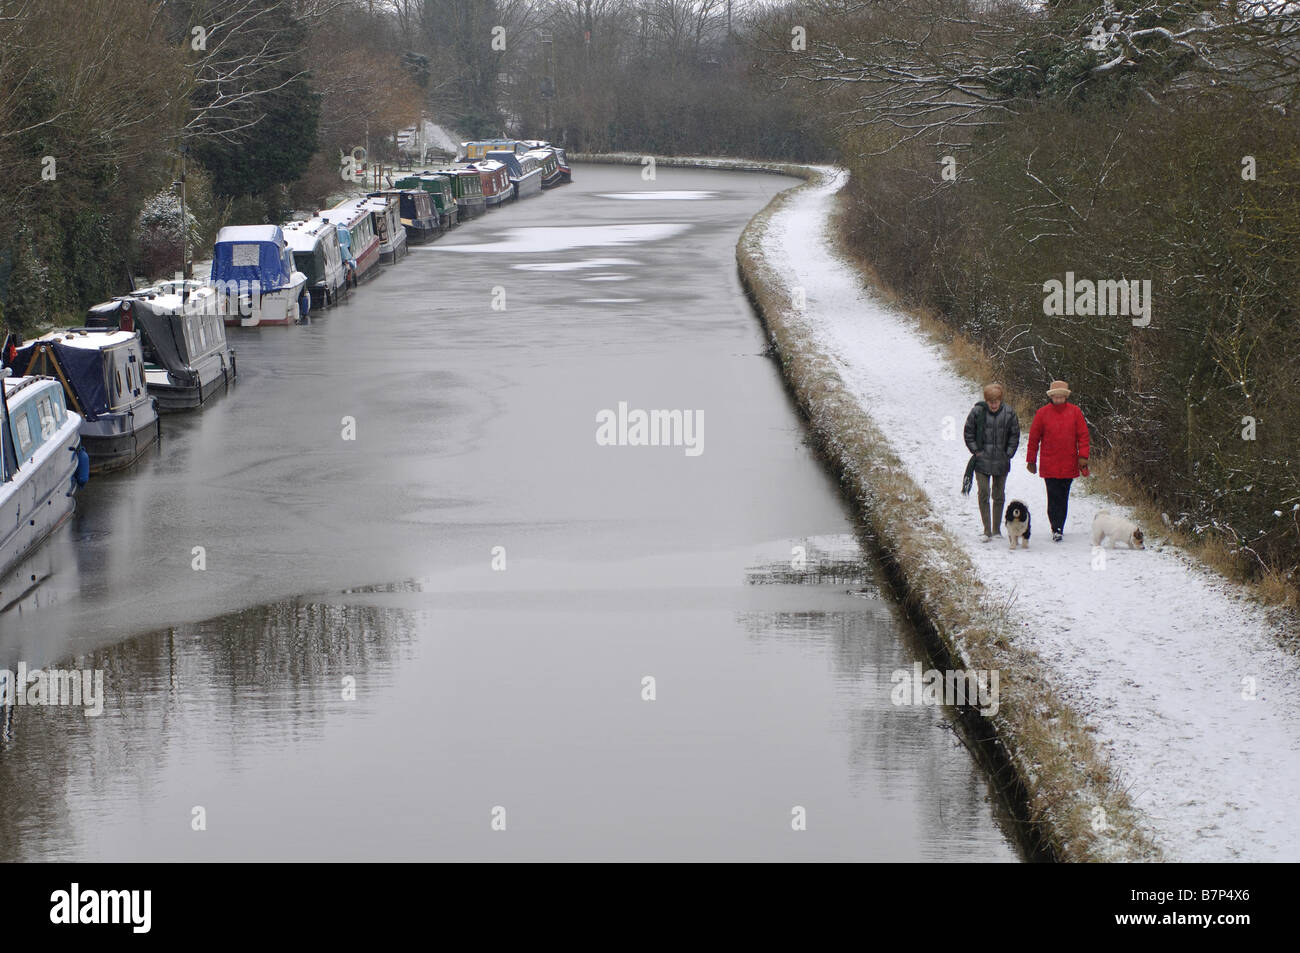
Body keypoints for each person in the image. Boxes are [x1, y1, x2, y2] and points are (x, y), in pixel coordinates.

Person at [1026, 380, 1090, 541]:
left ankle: (1060, 524)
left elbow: (1083, 436)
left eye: (1062, 397)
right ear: (1051, 397)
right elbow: (1034, 438)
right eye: (1056, 397)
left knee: (1063, 496)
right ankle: (1056, 527)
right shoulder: (1042, 413)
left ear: (1066, 396)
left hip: (1069, 462)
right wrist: (1031, 460)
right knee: (1053, 496)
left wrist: (1083, 456)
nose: (1059, 399)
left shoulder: (1075, 412)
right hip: (1049, 463)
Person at [962, 382, 1020, 541]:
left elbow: (1014, 435)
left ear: (1000, 400)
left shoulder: (1009, 413)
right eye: (990, 401)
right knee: (984, 493)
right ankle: (987, 530)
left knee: (998, 495)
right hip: (982, 462)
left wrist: (1008, 453)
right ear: (986, 400)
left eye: (996, 401)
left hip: (1001, 461)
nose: (994, 404)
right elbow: (968, 432)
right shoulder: (977, 412)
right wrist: (976, 451)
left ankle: (996, 530)